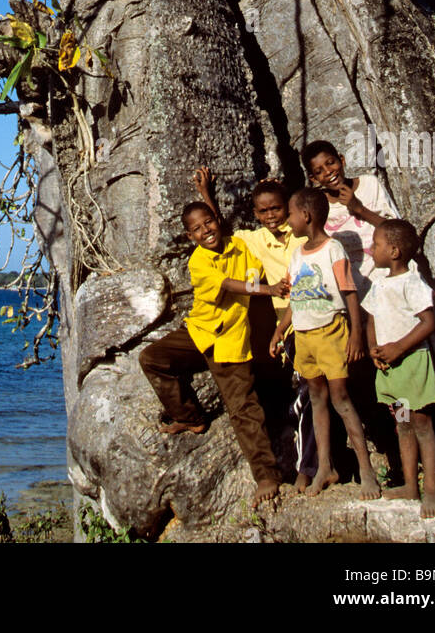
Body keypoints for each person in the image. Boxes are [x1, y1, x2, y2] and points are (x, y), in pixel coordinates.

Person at [139, 199, 287, 507]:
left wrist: (207, 193)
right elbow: (231, 284)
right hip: (200, 332)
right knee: (153, 358)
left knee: (243, 409)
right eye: (196, 229)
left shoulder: (238, 246)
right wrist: (267, 290)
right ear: (189, 235)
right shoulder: (198, 261)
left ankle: (266, 475)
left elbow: (248, 275)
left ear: (217, 220)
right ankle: (190, 416)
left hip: (231, 339)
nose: (205, 230)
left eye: (208, 223)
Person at [193, 167, 316, 491]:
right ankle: (282, 458)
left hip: (304, 315)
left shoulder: (301, 233)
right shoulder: (255, 239)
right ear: (256, 214)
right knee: (268, 390)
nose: (271, 216)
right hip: (273, 320)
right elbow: (217, 229)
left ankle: (311, 465)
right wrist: (207, 193)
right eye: (263, 211)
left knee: (312, 389)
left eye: (276, 209)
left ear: (288, 208)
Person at [270, 188, 381, 500]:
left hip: (331, 331)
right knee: (317, 399)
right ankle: (324, 467)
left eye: (290, 214)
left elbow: (349, 293)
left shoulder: (333, 250)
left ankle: (367, 470)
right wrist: (281, 330)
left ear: (305, 216)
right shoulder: (296, 254)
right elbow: (294, 298)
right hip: (304, 336)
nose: (288, 221)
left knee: (341, 400)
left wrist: (357, 334)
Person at [363, 219, 435, 518]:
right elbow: (372, 318)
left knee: (422, 426)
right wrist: (374, 348)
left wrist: (399, 347)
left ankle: (432, 491)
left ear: (394, 251)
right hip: (390, 369)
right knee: (403, 424)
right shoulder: (380, 282)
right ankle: (411, 486)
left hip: (412, 364)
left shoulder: (412, 282)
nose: (372, 249)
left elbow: (429, 322)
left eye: (377, 245)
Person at [301, 139, 397, 298]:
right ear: (313, 178)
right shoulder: (317, 205)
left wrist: (359, 209)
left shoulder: (369, 184)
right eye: (319, 171)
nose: (328, 171)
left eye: (331, 163)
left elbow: (397, 231)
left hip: (387, 277)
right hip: (353, 289)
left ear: (342, 160)